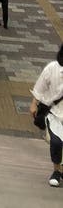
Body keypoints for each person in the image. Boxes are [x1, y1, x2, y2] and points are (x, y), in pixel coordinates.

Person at [30, 43, 63, 188]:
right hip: (54, 113)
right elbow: (40, 87)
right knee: (56, 142)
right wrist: (33, 103)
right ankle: (56, 171)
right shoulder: (52, 68)